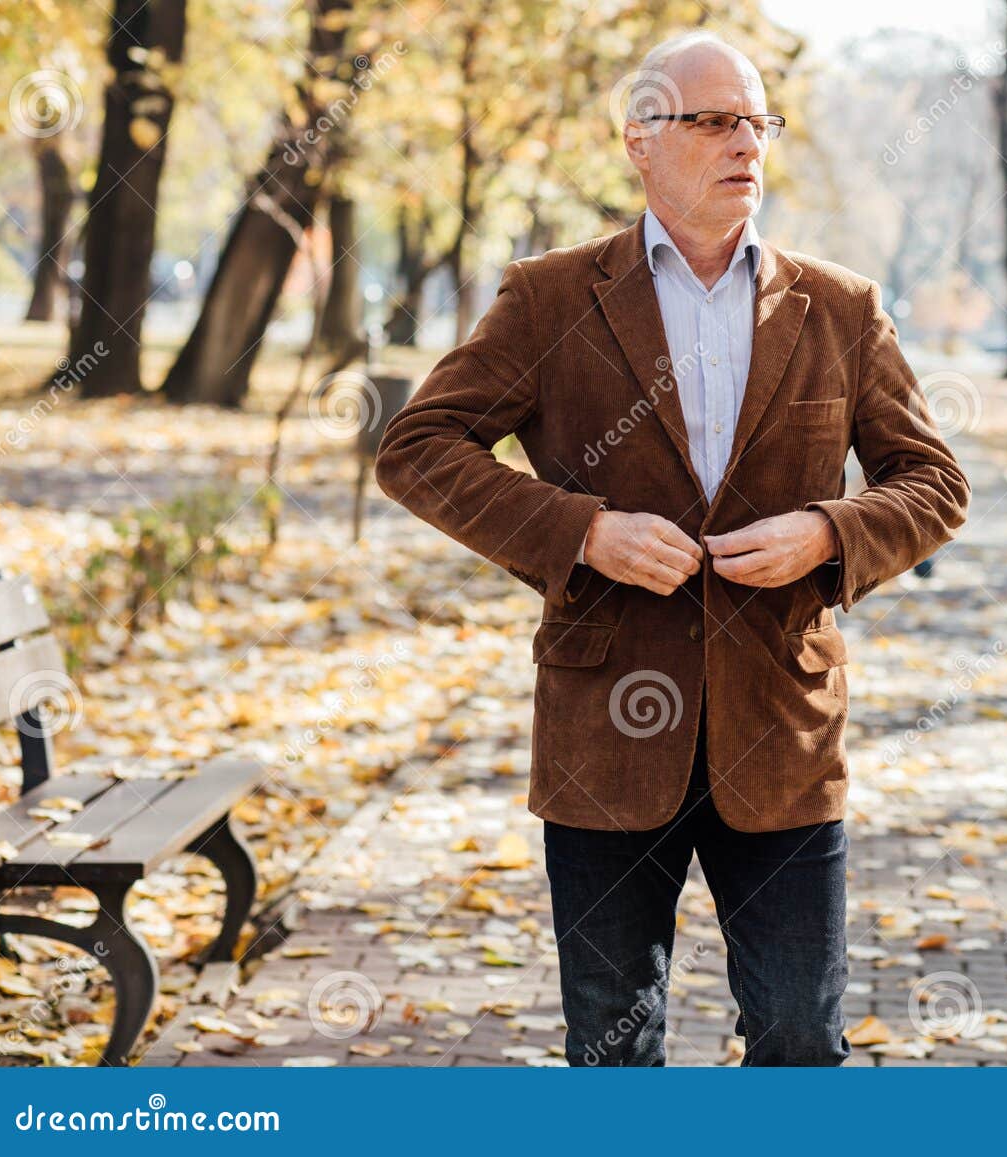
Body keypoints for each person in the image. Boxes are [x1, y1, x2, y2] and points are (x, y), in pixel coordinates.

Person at [374, 32, 969, 1065]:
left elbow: (935, 484)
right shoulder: (551, 297)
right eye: (713, 121)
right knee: (614, 1046)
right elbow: (417, 448)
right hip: (604, 730)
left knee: (798, 1037)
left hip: (780, 732)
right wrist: (582, 531)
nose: (745, 143)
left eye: (757, 122)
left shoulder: (839, 306)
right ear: (639, 140)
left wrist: (828, 532)